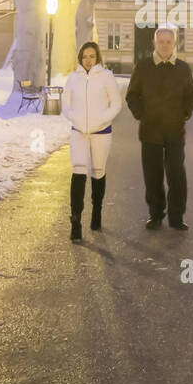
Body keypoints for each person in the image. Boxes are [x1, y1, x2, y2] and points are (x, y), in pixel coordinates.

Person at [126, 26, 193, 230]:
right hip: (150, 131)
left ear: (174, 44)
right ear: (154, 43)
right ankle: (155, 214)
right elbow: (132, 95)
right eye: (161, 41)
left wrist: (184, 114)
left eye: (168, 42)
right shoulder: (143, 66)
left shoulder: (183, 68)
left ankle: (176, 217)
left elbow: (191, 96)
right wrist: (141, 114)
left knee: (176, 175)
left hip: (175, 131)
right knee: (153, 175)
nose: (164, 45)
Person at [61, 41, 123, 242]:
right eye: (85, 56)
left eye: (92, 56)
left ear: (97, 58)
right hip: (78, 131)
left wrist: (103, 119)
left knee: (98, 171)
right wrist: (74, 118)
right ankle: (76, 221)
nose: (88, 60)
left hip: (101, 132)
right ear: (80, 58)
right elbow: (66, 105)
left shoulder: (106, 77)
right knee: (78, 170)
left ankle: (97, 211)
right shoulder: (73, 78)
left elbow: (116, 103)